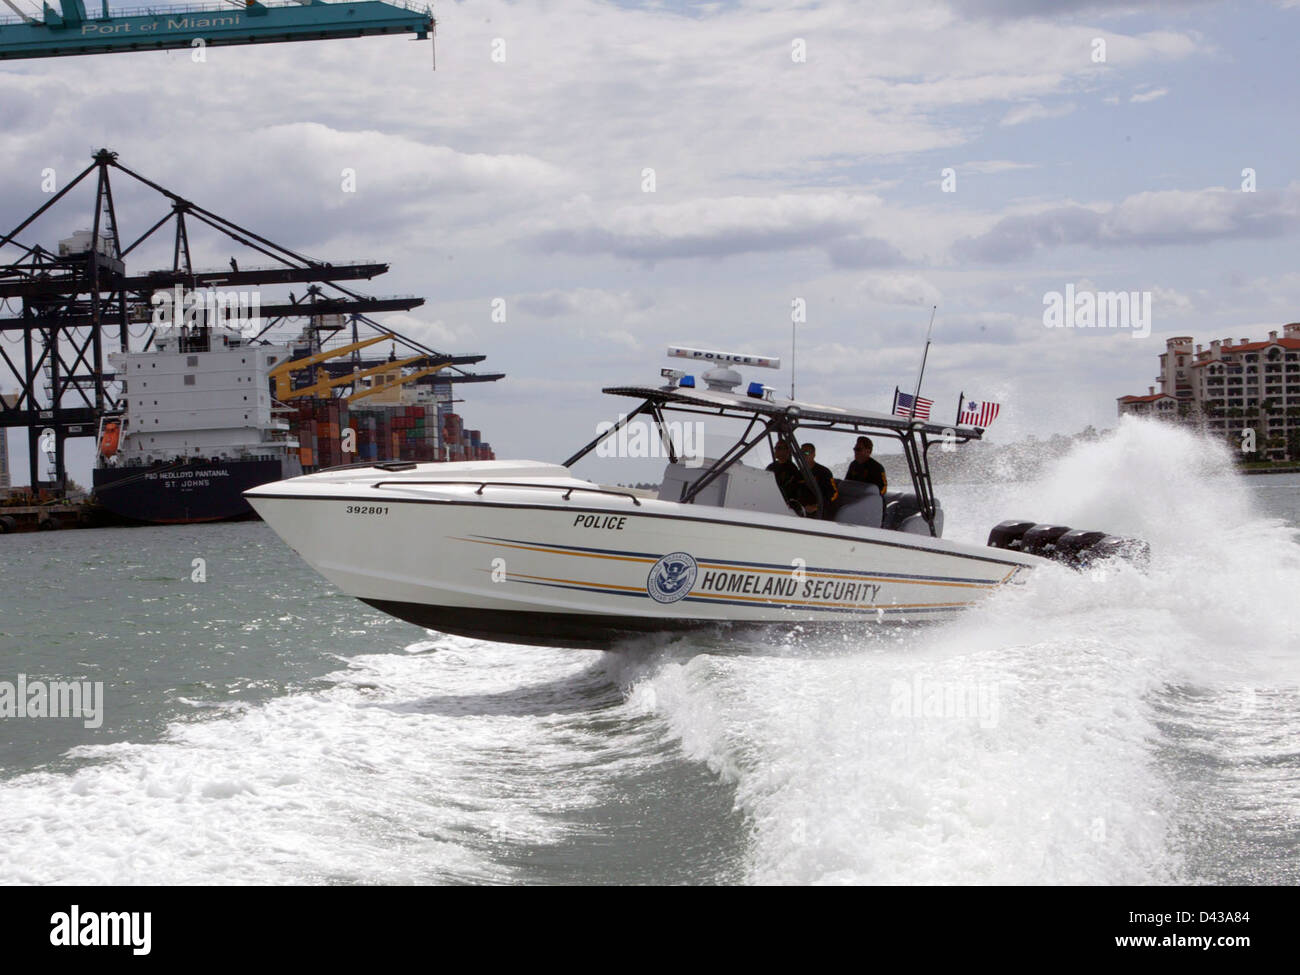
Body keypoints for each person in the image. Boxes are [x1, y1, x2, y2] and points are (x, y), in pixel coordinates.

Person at [799, 442, 839, 519]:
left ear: (814, 454)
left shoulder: (823, 472)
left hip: (821, 512)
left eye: (806, 452)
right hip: (802, 511)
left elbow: (833, 494)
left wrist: (817, 506)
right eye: (801, 453)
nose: (803, 455)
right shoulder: (799, 473)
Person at [766, 441, 803, 511]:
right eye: (775, 448)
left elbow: (790, 489)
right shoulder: (771, 466)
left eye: (779, 448)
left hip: (784, 504)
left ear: (787, 451)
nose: (776, 450)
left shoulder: (792, 468)